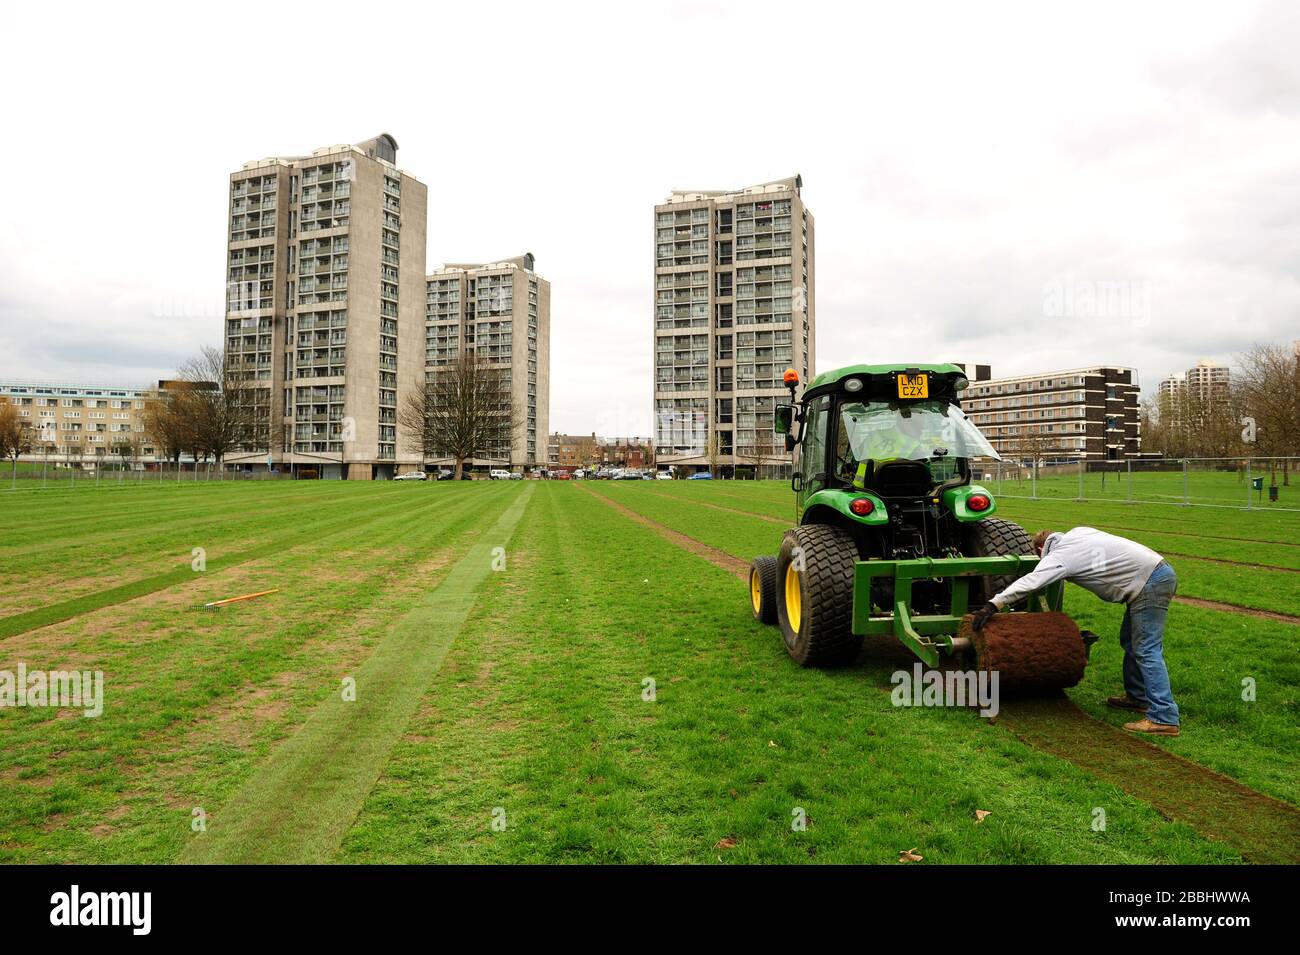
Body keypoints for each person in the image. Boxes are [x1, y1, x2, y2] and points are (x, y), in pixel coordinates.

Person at [971, 527, 1181, 736]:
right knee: (1131, 642)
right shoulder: (1079, 533)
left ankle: (1163, 717)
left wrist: (993, 605)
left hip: (1149, 582)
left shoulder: (1061, 554)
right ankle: (1138, 698)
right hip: (1156, 572)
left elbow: (1032, 581)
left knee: (1146, 649)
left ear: (1042, 549)